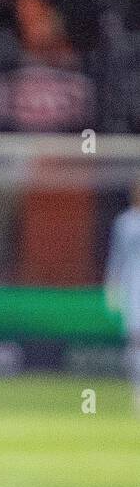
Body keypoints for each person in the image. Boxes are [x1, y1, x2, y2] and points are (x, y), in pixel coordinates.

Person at [105, 176, 140, 412]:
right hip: (133, 286)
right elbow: (116, 257)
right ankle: (137, 390)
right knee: (135, 339)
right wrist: (112, 288)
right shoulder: (125, 222)